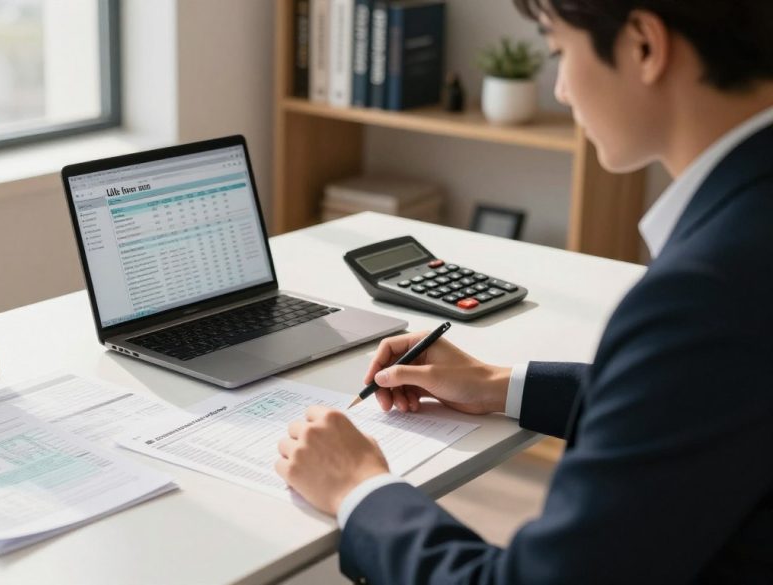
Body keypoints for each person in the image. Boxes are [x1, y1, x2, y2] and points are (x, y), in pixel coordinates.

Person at [275, 0, 773, 582]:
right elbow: (704, 400)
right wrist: (499, 385)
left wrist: (359, 488)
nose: (561, 91)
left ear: (643, 45)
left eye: (559, 52)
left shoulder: (704, 293)